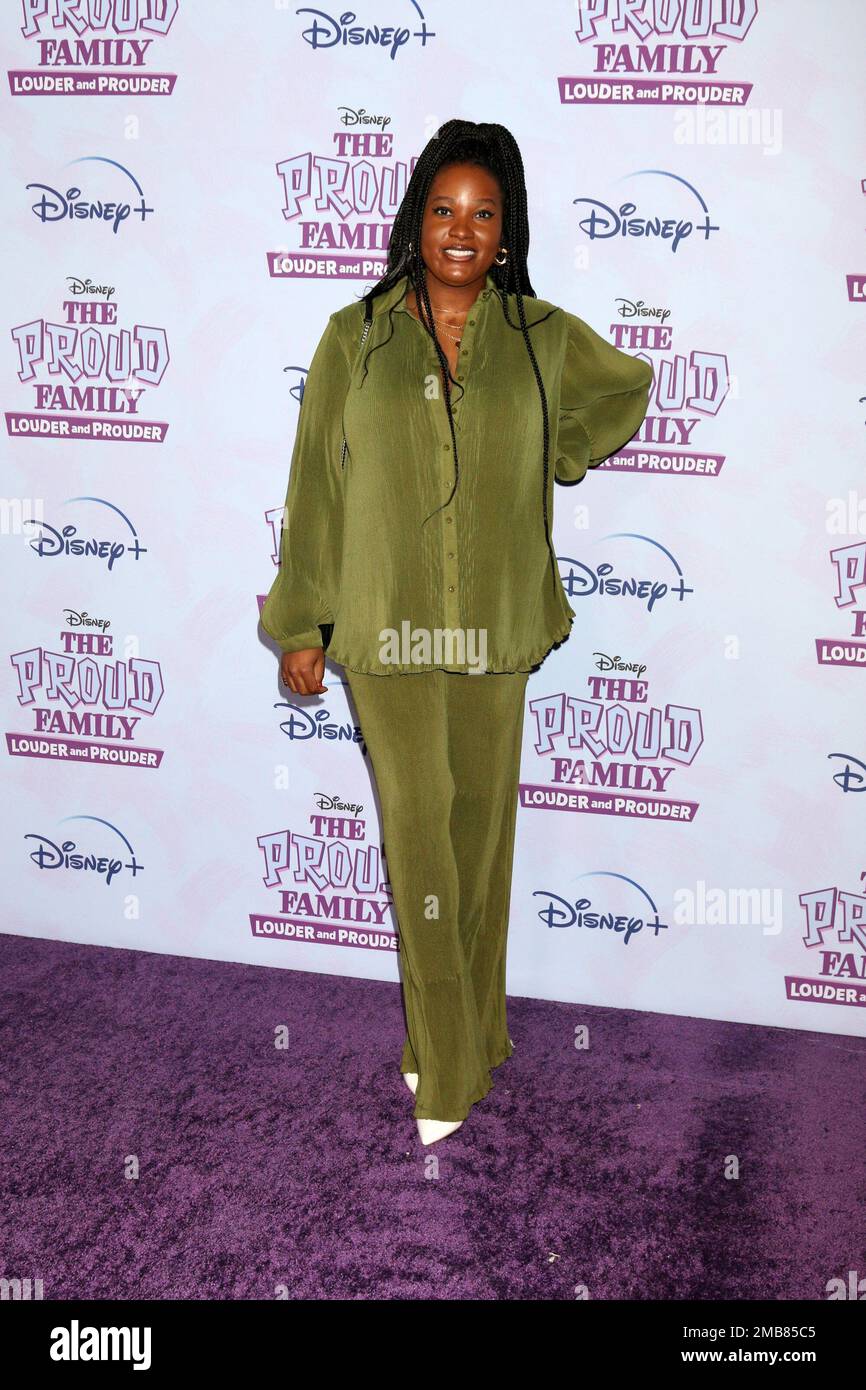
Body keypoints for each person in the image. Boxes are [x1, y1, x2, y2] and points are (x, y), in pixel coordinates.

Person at [259, 119, 653, 1146]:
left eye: (481, 213)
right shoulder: (356, 335)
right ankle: (442, 1066)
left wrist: (555, 449)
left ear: (505, 229)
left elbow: (625, 389)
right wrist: (302, 619)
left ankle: (475, 1030)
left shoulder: (541, 335)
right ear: (414, 219)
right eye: (442, 209)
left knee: (479, 837)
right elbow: (315, 487)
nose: (459, 230)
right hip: (386, 630)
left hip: (492, 630)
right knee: (421, 832)